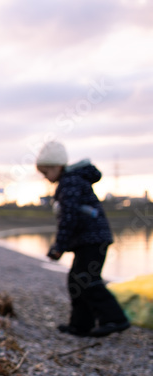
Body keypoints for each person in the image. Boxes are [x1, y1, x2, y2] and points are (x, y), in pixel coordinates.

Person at [35, 141, 130, 338]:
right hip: (89, 240)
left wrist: (58, 247)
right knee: (77, 281)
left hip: (93, 240)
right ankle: (80, 326)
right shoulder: (72, 181)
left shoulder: (70, 183)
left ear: (57, 167)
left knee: (87, 280)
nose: (45, 177)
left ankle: (115, 319)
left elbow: (69, 218)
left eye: (46, 172)